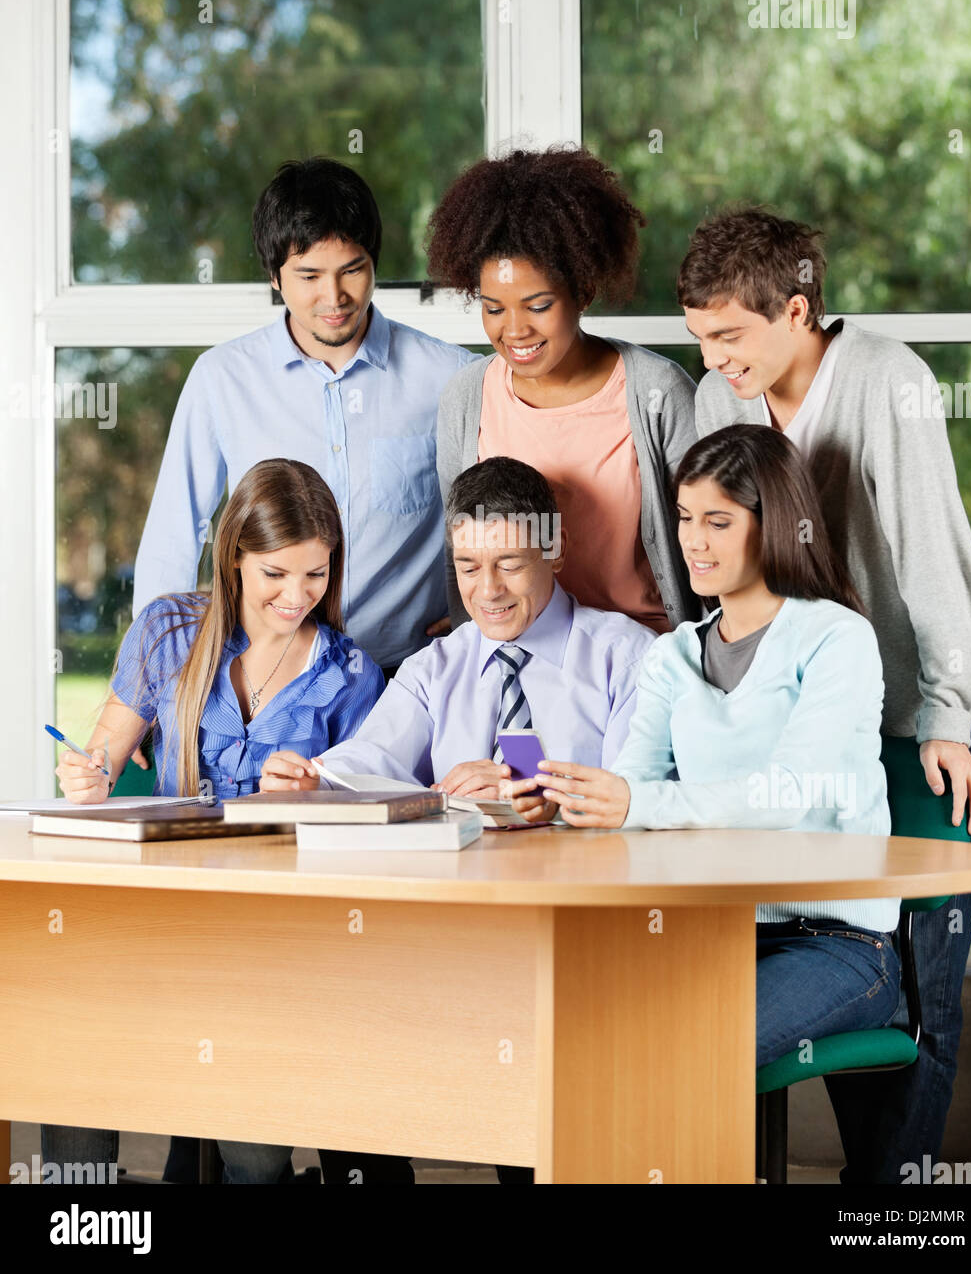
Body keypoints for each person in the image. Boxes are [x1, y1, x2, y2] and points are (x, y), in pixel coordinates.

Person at [680, 207, 971, 1183]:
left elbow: (930, 555)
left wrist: (946, 712)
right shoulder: (715, 400)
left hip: (909, 724)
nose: (716, 358)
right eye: (700, 338)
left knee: (918, 1002)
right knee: (826, 966)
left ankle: (894, 1211)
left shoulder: (886, 382)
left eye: (731, 335)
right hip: (801, 740)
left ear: (799, 309)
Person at [262, 455, 657, 1183]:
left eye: (509, 563)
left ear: (555, 550)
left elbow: (648, 800)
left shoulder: (625, 657)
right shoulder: (434, 668)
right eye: (468, 566)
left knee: (531, 1062)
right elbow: (365, 763)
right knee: (338, 1016)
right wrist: (321, 776)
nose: (487, 590)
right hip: (455, 939)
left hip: (582, 944)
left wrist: (560, 807)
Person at [45, 457, 384, 1185]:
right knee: (67, 1028)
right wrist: (88, 772)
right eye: (275, 574)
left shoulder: (351, 675)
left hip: (280, 931)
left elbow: (372, 823)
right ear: (233, 558)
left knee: (254, 1157)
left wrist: (317, 794)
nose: (296, 596)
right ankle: (76, 1215)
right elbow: (104, 754)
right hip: (162, 912)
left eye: (316, 575)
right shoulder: (170, 628)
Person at [534, 426, 903, 1075]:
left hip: (832, 942)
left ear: (775, 525)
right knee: (555, 1031)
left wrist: (634, 802)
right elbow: (630, 795)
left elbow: (788, 794)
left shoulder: (834, 639)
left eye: (717, 521)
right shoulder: (672, 654)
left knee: (683, 1052)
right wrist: (556, 802)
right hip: (702, 929)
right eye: (682, 518)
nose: (693, 541)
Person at [132, 156, 474, 677]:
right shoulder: (221, 378)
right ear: (275, 275)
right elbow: (175, 535)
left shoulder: (451, 375)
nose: (333, 297)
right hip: (267, 683)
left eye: (352, 270)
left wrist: (476, 611)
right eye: (308, 275)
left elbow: (495, 511)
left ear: (374, 262)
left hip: (406, 681)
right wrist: (148, 679)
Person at [429, 146, 698, 635]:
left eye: (537, 305)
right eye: (494, 308)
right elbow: (460, 548)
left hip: (646, 656)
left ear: (583, 292)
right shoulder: (466, 399)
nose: (514, 330)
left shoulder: (657, 393)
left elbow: (712, 542)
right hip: (522, 659)